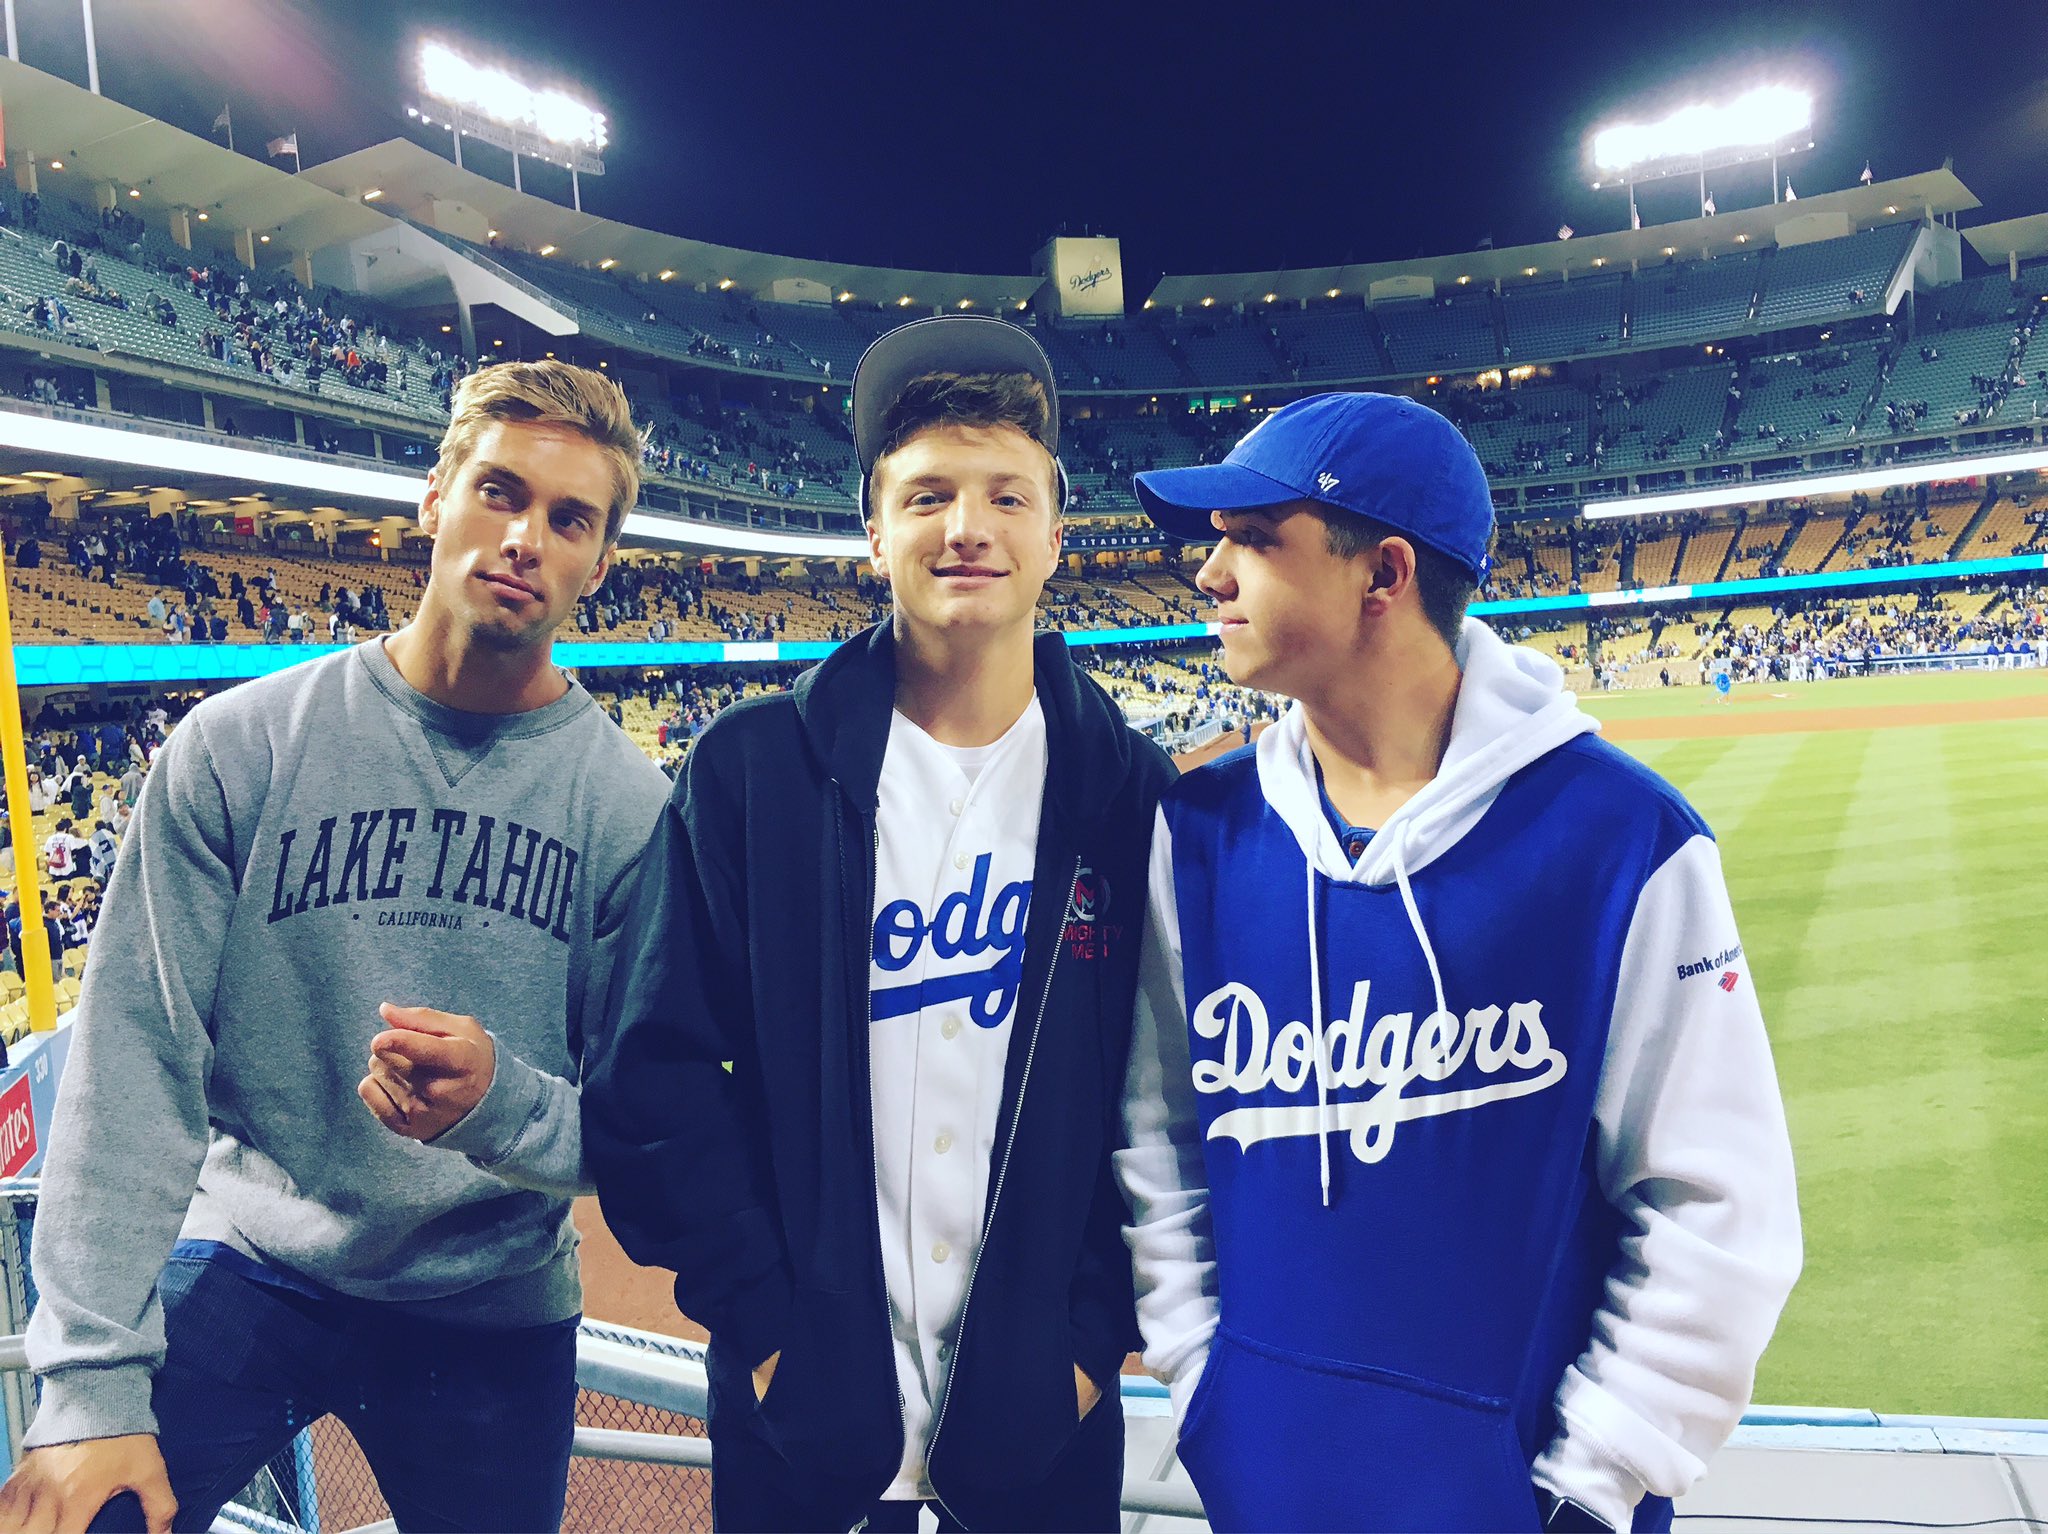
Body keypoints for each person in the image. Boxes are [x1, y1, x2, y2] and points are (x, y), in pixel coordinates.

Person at [1, 360, 669, 1534]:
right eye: (499, 491)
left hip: (491, 1296)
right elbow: (135, 1062)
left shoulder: (629, 813)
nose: (525, 538)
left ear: (599, 563)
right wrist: (88, 1385)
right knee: (85, 1512)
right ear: (434, 497)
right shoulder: (239, 748)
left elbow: (638, 1127)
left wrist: (499, 1105)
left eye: (569, 519)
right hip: (258, 1250)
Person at [1116, 393, 1802, 1532]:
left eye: (1252, 539)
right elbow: (1159, 1141)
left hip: (1527, 1500)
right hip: (1265, 1482)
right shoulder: (1194, 834)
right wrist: (1208, 1387)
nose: (1208, 575)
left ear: (1381, 573)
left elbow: (1712, 1200)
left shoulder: (1620, 839)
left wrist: (1593, 1483)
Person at [587, 316, 1174, 1533]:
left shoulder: (1128, 795)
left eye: (1005, 495)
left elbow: (1169, 1106)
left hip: (1040, 1434)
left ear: (1055, 532)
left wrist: (1085, 1342)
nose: (966, 528)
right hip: (800, 1427)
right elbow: (651, 1081)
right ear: (873, 530)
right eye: (927, 496)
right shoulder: (750, 774)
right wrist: (763, 1332)